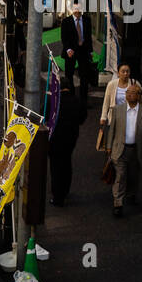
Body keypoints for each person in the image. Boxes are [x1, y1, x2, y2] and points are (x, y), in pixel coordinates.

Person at [104, 83, 142, 217]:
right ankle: (118, 203)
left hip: (136, 150)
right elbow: (112, 130)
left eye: (132, 92)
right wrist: (109, 147)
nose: (129, 94)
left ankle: (131, 194)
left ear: (139, 96)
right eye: (127, 92)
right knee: (120, 176)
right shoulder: (117, 110)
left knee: (133, 176)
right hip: (120, 149)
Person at [48, 75, 86, 206]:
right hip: (71, 138)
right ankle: (65, 190)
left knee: (55, 167)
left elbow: (43, 115)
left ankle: (57, 196)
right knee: (67, 163)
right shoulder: (76, 101)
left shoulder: (53, 101)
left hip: (54, 139)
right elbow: (82, 118)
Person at [60, 0, 96, 106]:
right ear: (72, 9)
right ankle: (71, 99)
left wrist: (90, 51)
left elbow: (88, 37)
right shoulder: (66, 21)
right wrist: (68, 49)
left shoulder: (87, 20)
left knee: (84, 77)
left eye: (79, 9)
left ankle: (83, 101)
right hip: (71, 51)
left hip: (83, 51)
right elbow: (64, 37)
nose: (77, 11)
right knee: (69, 75)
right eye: (75, 9)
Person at [98, 62, 133, 147]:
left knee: (127, 140)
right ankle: (111, 157)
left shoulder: (133, 83)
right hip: (114, 116)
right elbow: (106, 102)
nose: (125, 74)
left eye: (127, 71)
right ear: (118, 73)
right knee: (113, 140)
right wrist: (103, 117)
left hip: (129, 116)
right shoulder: (112, 84)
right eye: (123, 71)